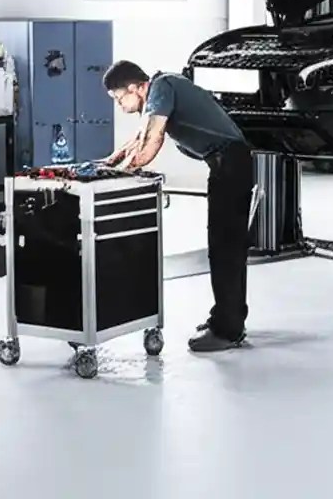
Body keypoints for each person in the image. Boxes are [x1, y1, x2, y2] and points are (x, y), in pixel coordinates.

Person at [101, 60, 253, 353]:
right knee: (224, 247)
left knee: (225, 248)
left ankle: (228, 330)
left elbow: (152, 139)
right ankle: (225, 317)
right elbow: (139, 138)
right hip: (227, 164)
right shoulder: (163, 87)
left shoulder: (161, 88)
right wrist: (108, 164)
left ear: (135, 88)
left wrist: (120, 174)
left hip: (231, 165)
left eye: (119, 98)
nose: (120, 106)